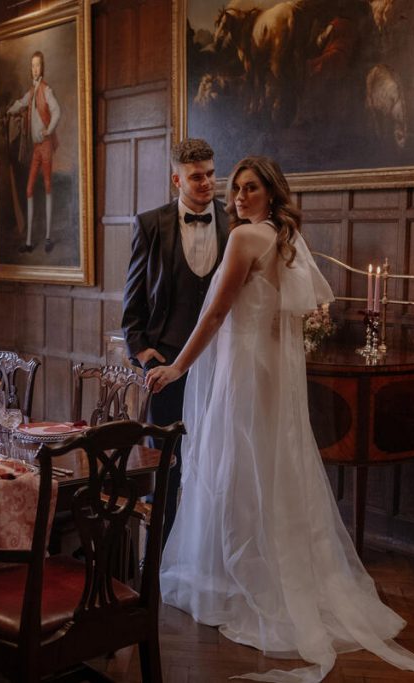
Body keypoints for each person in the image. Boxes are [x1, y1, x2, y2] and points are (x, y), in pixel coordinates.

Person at [145, 156, 414, 683]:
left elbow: (217, 314)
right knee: (266, 471)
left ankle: (236, 579)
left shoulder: (246, 239)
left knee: (235, 471)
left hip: (244, 371)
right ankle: (264, 572)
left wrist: (179, 366)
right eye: (237, 189)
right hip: (270, 371)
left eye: (251, 189)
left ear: (271, 193)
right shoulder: (285, 238)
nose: (239, 197)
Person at [121, 137, 230, 541]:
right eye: (196, 177)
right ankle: (161, 558)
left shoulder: (233, 222)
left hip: (222, 362)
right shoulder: (151, 224)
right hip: (167, 366)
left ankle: (206, 552)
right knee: (167, 463)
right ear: (176, 179)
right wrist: (143, 352)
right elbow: (132, 300)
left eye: (210, 174)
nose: (206, 183)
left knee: (217, 461)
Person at [6, 51, 61, 254]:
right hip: (36, 149)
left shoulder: (46, 90)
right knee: (29, 189)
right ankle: (29, 241)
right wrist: (9, 110)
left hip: (45, 146)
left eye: (37, 65)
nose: (34, 69)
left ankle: (47, 237)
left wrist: (49, 129)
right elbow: (20, 103)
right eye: (32, 66)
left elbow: (57, 111)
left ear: (42, 68)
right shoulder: (32, 92)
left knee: (47, 187)